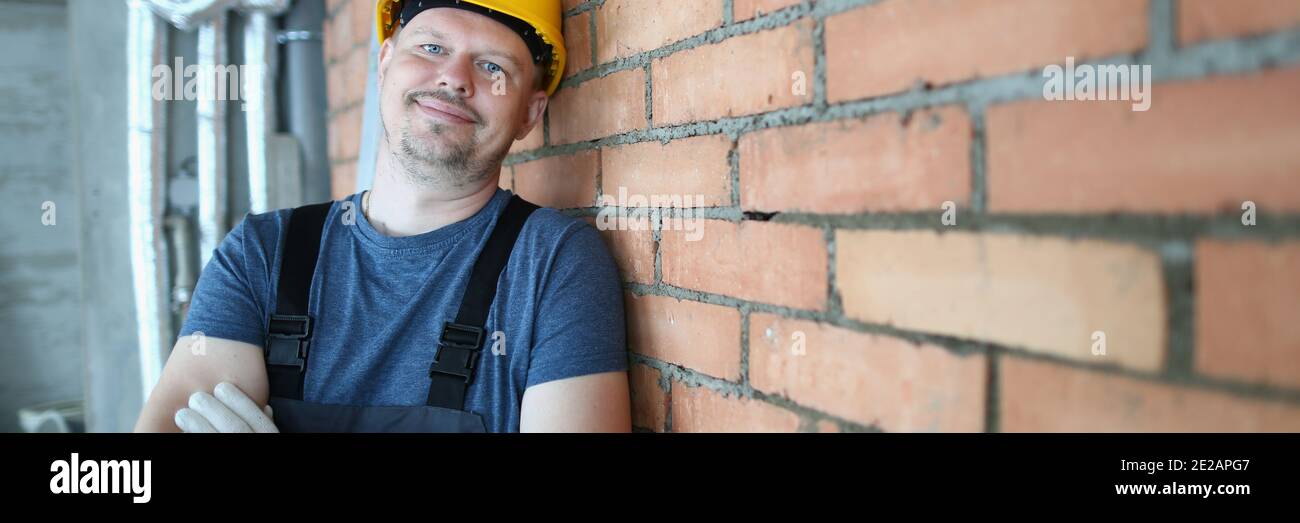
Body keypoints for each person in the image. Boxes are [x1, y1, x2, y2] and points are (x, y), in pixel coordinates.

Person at [133, 0, 630, 433]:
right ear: (386, 62)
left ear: (529, 114)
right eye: (432, 49)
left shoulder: (553, 264)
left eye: (492, 66)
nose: (454, 78)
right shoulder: (261, 255)